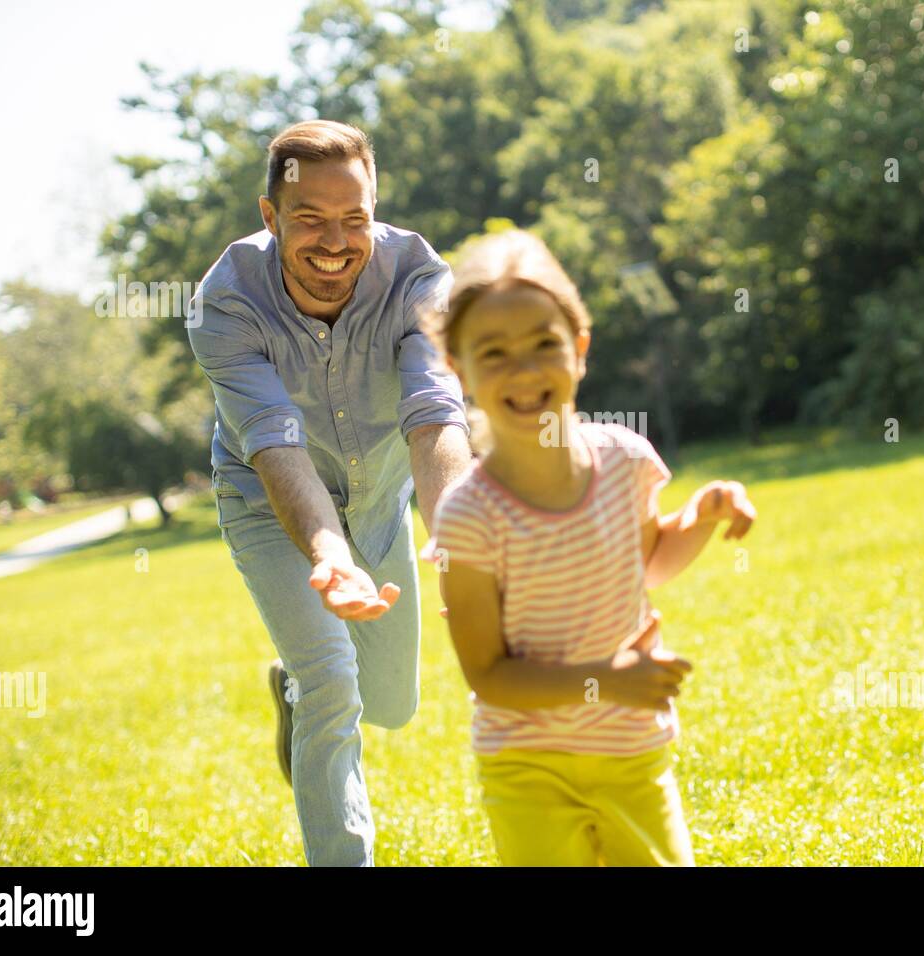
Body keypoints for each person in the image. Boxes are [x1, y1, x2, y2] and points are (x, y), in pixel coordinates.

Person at [417, 230, 757, 865]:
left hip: (631, 749)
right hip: (526, 766)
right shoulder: (469, 516)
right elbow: (488, 677)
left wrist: (702, 515)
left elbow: (649, 563)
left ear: (579, 349)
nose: (523, 369)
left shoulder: (625, 462)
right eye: (493, 353)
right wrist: (607, 681)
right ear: (459, 370)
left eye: (544, 344)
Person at [185, 120, 474, 866]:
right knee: (334, 683)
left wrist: (460, 530)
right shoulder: (226, 303)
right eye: (309, 218)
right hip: (267, 508)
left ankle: (295, 692)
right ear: (270, 214)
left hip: (379, 499)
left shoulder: (418, 279)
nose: (334, 242)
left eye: (354, 219)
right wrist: (328, 555)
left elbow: (434, 413)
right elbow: (274, 444)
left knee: (391, 706)